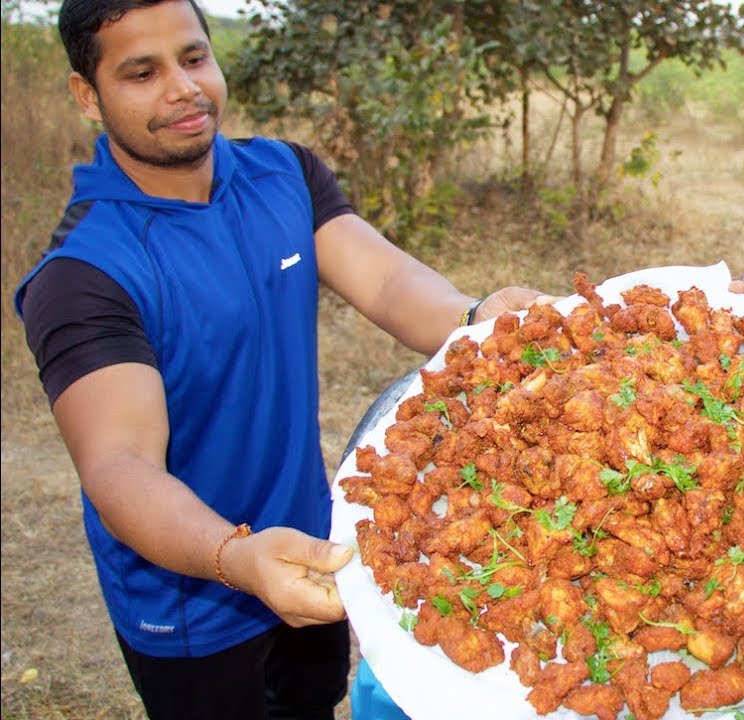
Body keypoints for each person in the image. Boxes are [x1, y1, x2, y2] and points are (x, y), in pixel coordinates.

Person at [13, 1, 545, 718]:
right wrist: (234, 558)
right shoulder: (85, 270)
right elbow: (120, 464)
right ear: (88, 94)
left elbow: (385, 280)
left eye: (194, 57)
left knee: (312, 703)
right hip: (191, 591)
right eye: (142, 72)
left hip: (310, 545)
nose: (182, 88)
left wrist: (475, 316)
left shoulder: (282, 173)